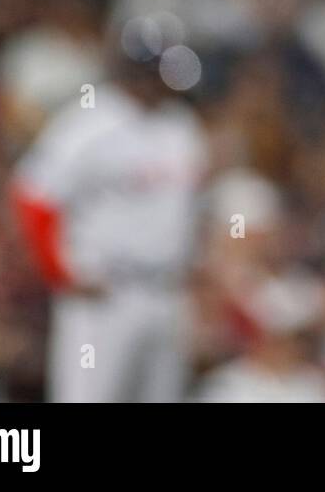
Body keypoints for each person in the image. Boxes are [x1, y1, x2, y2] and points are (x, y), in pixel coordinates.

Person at [12, 45, 208, 402]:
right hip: (107, 293)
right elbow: (35, 195)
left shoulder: (182, 125)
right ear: (136, 72)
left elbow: (191, 211)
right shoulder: (89, 121)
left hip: (169, 292)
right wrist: (60, 272)